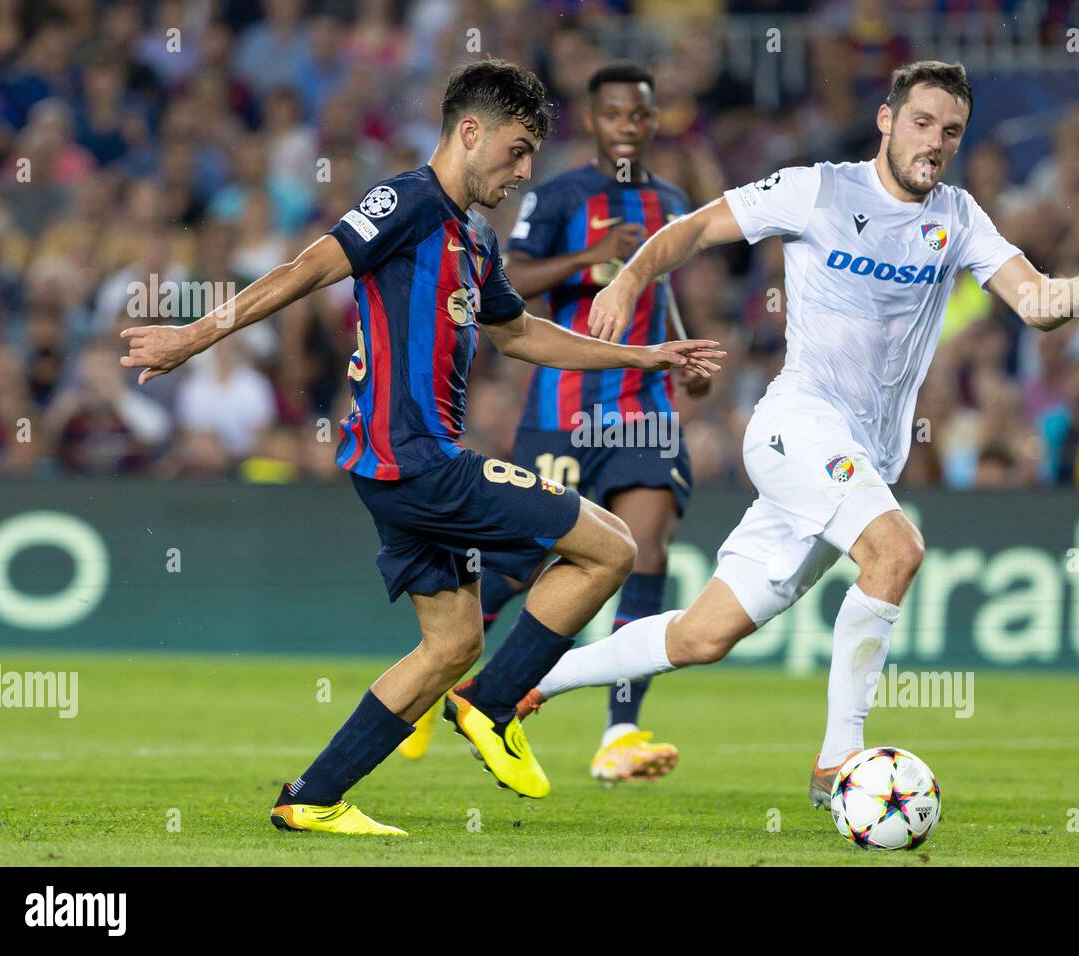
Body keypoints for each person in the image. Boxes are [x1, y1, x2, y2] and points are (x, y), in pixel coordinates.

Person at [504, 60, 1079, 809]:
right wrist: (633, 277)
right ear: (888, 121)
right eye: (923, 123)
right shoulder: (818, 189)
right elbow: (697, 228)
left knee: (704, 635)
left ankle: (531, 681)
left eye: (952, 131)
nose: (935, 142)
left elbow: (1035, 303)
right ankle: (840, 764)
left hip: (861, 457)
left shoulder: (959, 217)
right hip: (795, 426)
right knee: (896, 551)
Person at [118, 58, 724, 835]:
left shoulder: (474, 234)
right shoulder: (405, 201)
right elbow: (307, 269)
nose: (525, 168)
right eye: (516, 148)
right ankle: (494, 704)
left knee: (453, 642)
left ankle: (313, 796)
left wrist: (644, 357)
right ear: (470, 133)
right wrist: (193, 337)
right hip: (419, 461)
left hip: (396, 466)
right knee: (611, 548)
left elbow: (522, 335)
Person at [402, 61, 704, 783]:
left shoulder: (672, 201)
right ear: (593, 120)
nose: (627, 128)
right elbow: (513, 281)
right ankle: (427, 689)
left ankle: (620, 732)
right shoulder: (559, 194)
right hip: (561, 414)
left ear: (654, 120)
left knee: (649, 544)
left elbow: (655, 290)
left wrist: (679, 349)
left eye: (640, 115)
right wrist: (590, 257)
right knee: (515, 568)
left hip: (641, 409)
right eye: (613, 116)